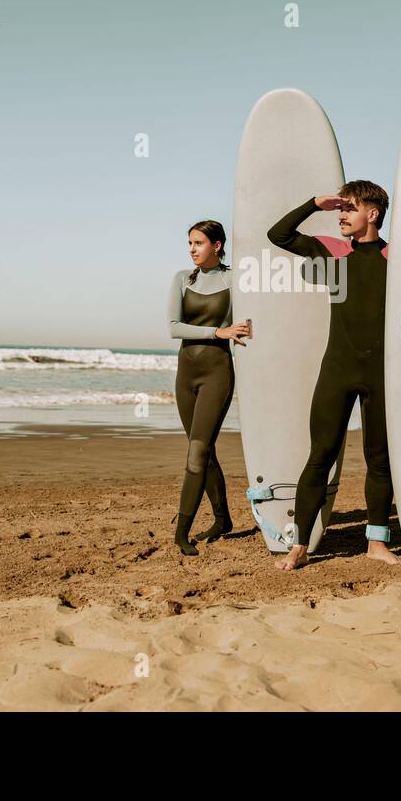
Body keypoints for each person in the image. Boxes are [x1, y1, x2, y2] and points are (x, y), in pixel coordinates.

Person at [266, 181, 399, 571]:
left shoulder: (398, 257)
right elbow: (280, 235)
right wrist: (314, 203)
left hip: (383, 373)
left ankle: (376, 542)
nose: (341, 215)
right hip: (337, 369)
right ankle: (300, 544)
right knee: (320, 455)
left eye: (349, 208)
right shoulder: (334, 252)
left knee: (380, 459)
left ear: (372, 214)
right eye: (339, 209)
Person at [166, 220, 250, 555]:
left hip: (217, 374)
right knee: (205, 450)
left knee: (197, 452)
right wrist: (218, 331)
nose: (192, 249)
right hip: (185, 375)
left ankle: (182, 532)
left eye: (199, 243)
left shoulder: (235, 280)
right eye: (190, 243)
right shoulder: (181, 280)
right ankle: (223, 519)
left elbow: (249, 321)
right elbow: (174, 328)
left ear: (217, 245)